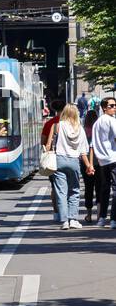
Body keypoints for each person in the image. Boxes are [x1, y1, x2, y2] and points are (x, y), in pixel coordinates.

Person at [48, 102, 94, 230]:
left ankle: (64, 221)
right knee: (74, 190)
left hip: (59, 160)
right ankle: (73, 219)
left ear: (64, 113)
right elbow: (83, 151)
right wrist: (89, 165)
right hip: (74, 161)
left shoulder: (57, 126)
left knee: (61, 192)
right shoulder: (80, 128)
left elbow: (48, 145)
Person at [91, 96, 116, 228]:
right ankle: (113, 219)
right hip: (113, 157)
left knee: (104, 188)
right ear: (104, 108)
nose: (114, 108)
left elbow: (93, 143)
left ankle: (101, 218)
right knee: (115, 189)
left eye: (115, 105)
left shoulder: (96, 123)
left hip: (102, 160)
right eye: (111, 106)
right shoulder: (112, 121)